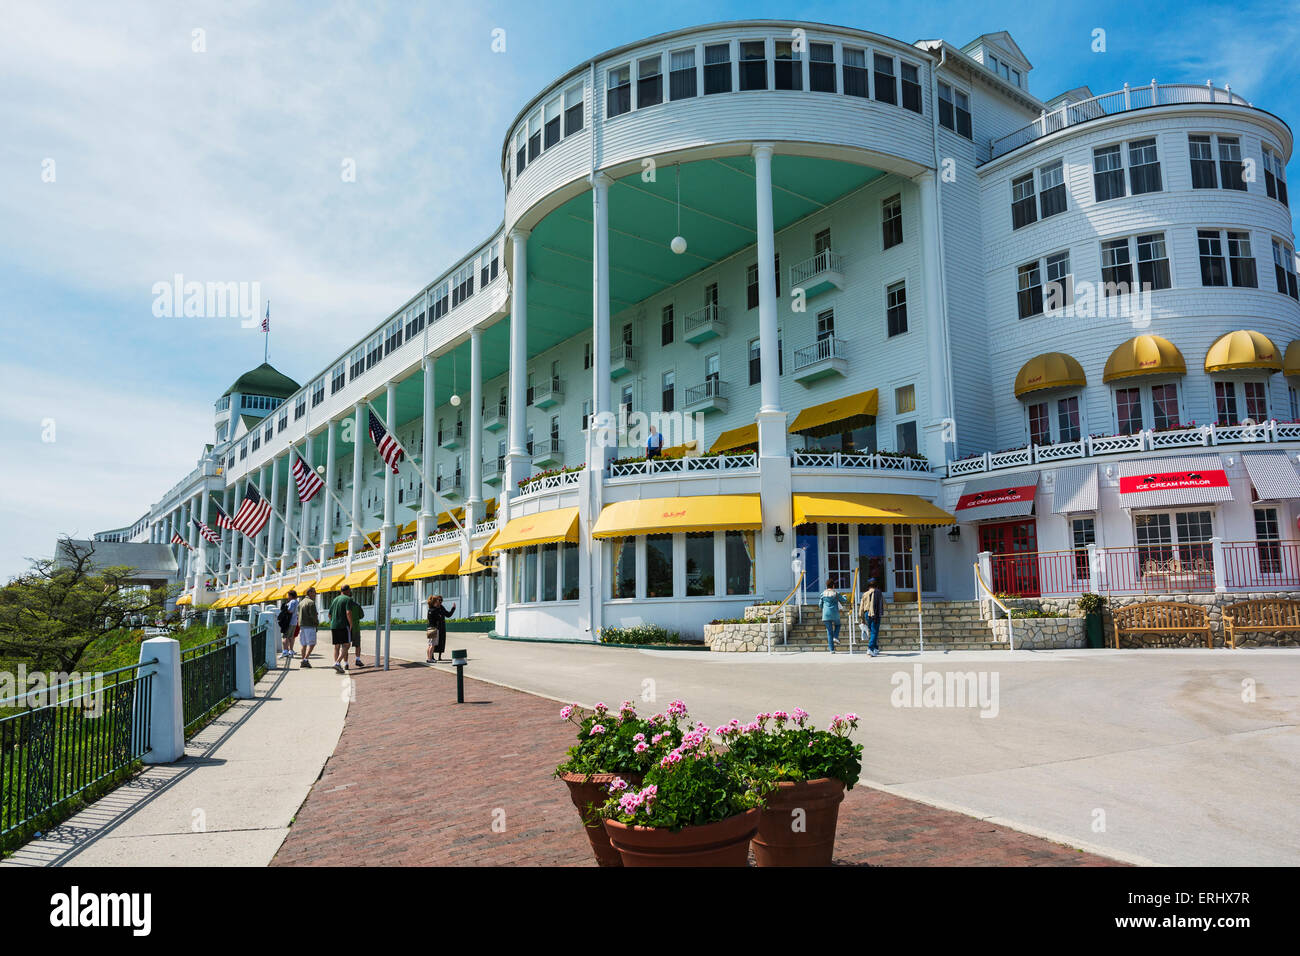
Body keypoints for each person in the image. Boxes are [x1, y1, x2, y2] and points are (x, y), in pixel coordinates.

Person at [328, 585, 357, 673]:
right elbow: (348, 612)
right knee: (346, 645)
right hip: (344, 625)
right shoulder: (348, 599)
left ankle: (338, 665)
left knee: (336, 647)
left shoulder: (335, 599)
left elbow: (329, 615)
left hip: (334, 625)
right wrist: (351, 624)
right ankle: (337, 663)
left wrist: (333, 622)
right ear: (348, 591)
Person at [426, 594, 456, 662]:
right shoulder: (435, 610)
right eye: (437, 601)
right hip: (434, 628)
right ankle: (430, 658)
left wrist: (452, 609)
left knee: (430, 644)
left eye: (440, 600)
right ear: (434, 602)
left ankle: (428, 658)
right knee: (432, 645)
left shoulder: (430, 609)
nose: (439, 602)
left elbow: (447, 615)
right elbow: (439, 618)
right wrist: (439, 616)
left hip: (429, 628)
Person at [819, 584, 847, 653]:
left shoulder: (823, 594)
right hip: (834, 613)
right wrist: (845, 596)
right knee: (838, 625)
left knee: (829, 632)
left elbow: (820, 605)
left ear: (826, 586)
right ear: (833, 586)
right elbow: (843, 600)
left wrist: (823, 608)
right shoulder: (836, 593)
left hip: (826, 614)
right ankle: (835, 637)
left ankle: (831, 650)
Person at [862, 578, 885, 657]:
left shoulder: (865, 594)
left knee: (872, 631)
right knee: (874, 631)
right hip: (874, 613)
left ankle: (875, 648)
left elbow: (861, 607)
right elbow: (880, 604)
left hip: (866, 613)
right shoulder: (878, 592)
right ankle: (870, 648)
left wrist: (861, 618)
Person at [298, 587, 319, 668]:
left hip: (302, 625)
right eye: (314, 592)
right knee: (312, 643)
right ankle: (305, 659)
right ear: (310, 593)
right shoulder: (311, 603)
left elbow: (298, 614)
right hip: (309, 625)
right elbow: (314, 616)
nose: (315, 594)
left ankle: (303, 659)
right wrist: (316, 623)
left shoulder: (301, 602)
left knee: (303, 644)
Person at [349, 589, 366, 667]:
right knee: (357, 645)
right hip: (356, 627)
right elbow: (362, 616)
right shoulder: (357, 605)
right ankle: (358, 659)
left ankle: (345, 663)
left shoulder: (343, 605)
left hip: (346, 628)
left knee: (345, 646)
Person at [281, 589, 299, 658]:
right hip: (294, 622)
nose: (287, 597)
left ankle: (285, 651)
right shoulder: (297, 601)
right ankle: (291, 650)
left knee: (285, 636)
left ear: (291, 596)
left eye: (288, 595)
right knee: (291, 637)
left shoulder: (292, 602)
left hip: (289, 622)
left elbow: (290, 611)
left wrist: (285, 609)